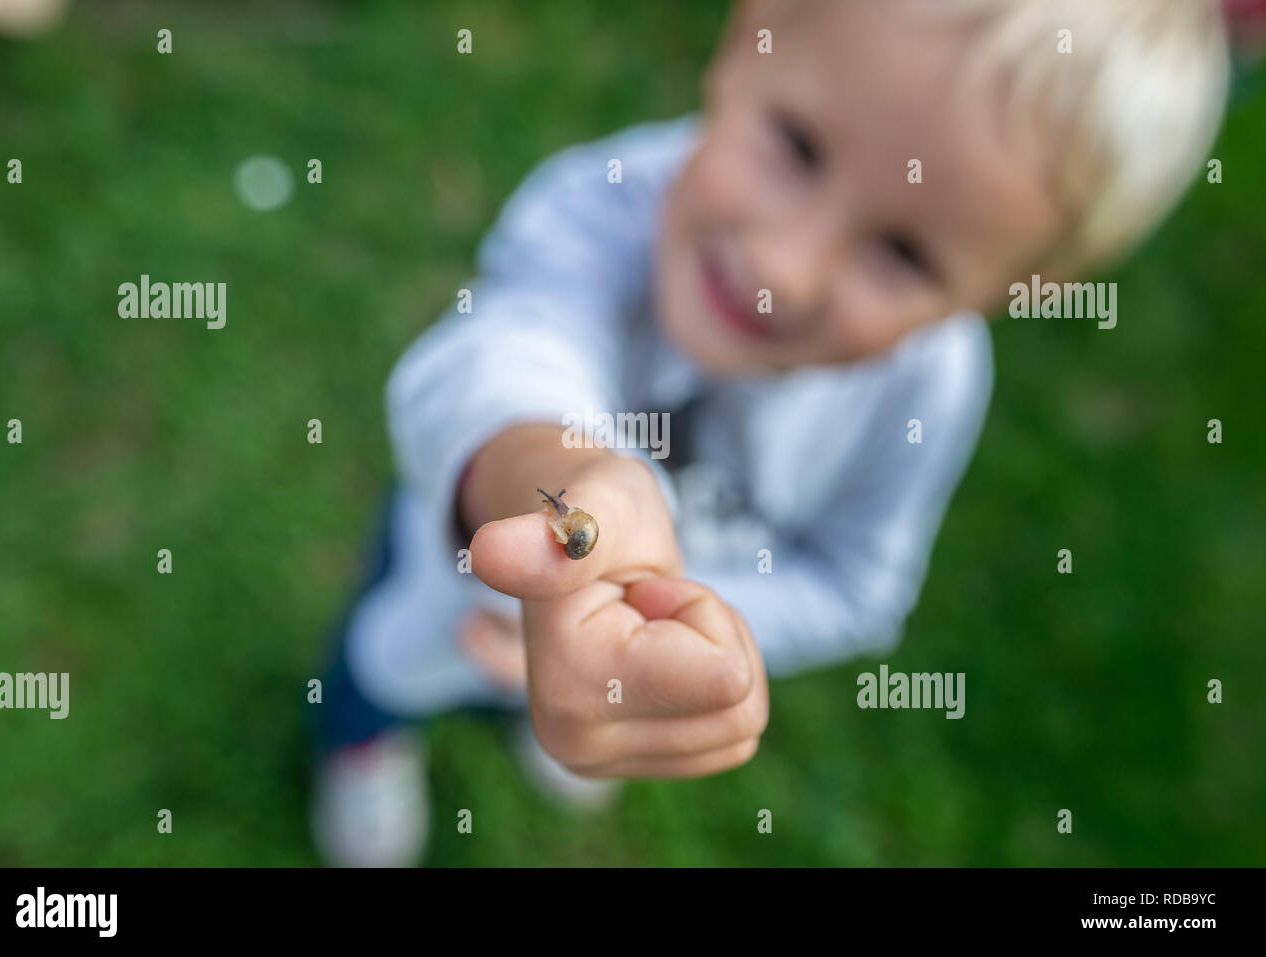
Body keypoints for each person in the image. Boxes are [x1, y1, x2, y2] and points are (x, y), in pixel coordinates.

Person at [310, 0, 1230, 866]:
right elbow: (496, 356)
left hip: (637, 626)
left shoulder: (932, 390)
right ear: (748, 38)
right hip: (448, 577)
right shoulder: (602, 203)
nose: (784, 270)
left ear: (1011, 292)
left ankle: (575, 704)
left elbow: (856, 583)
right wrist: (565, 475)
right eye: (797, 146)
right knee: (377, 670)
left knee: (582, 701)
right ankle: (361, 746)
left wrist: (673, 625)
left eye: (904, 254)